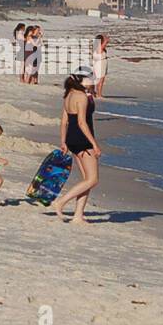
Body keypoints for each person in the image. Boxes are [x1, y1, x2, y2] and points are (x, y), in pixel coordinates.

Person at [54, 69, 101, 224]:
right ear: (81, 80)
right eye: (89, 78)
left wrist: (63, 141)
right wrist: (94, 144)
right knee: (93, 179)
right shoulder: (80, 96)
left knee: (86, 179)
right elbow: (81, 122)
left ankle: (78, 215)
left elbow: (63, 121)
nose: (93, 80)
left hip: (72, 139)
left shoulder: (69, 94)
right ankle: (61, 202)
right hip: (82, 140)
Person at [92, 34, 109, 98]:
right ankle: (99, 94)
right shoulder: (99, 48)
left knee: (98, 79)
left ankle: (97, 93)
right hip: (100, 63)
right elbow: (103, 46)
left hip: (99, 63)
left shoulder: (95, 47)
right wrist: (106, 40)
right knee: (101, 79)